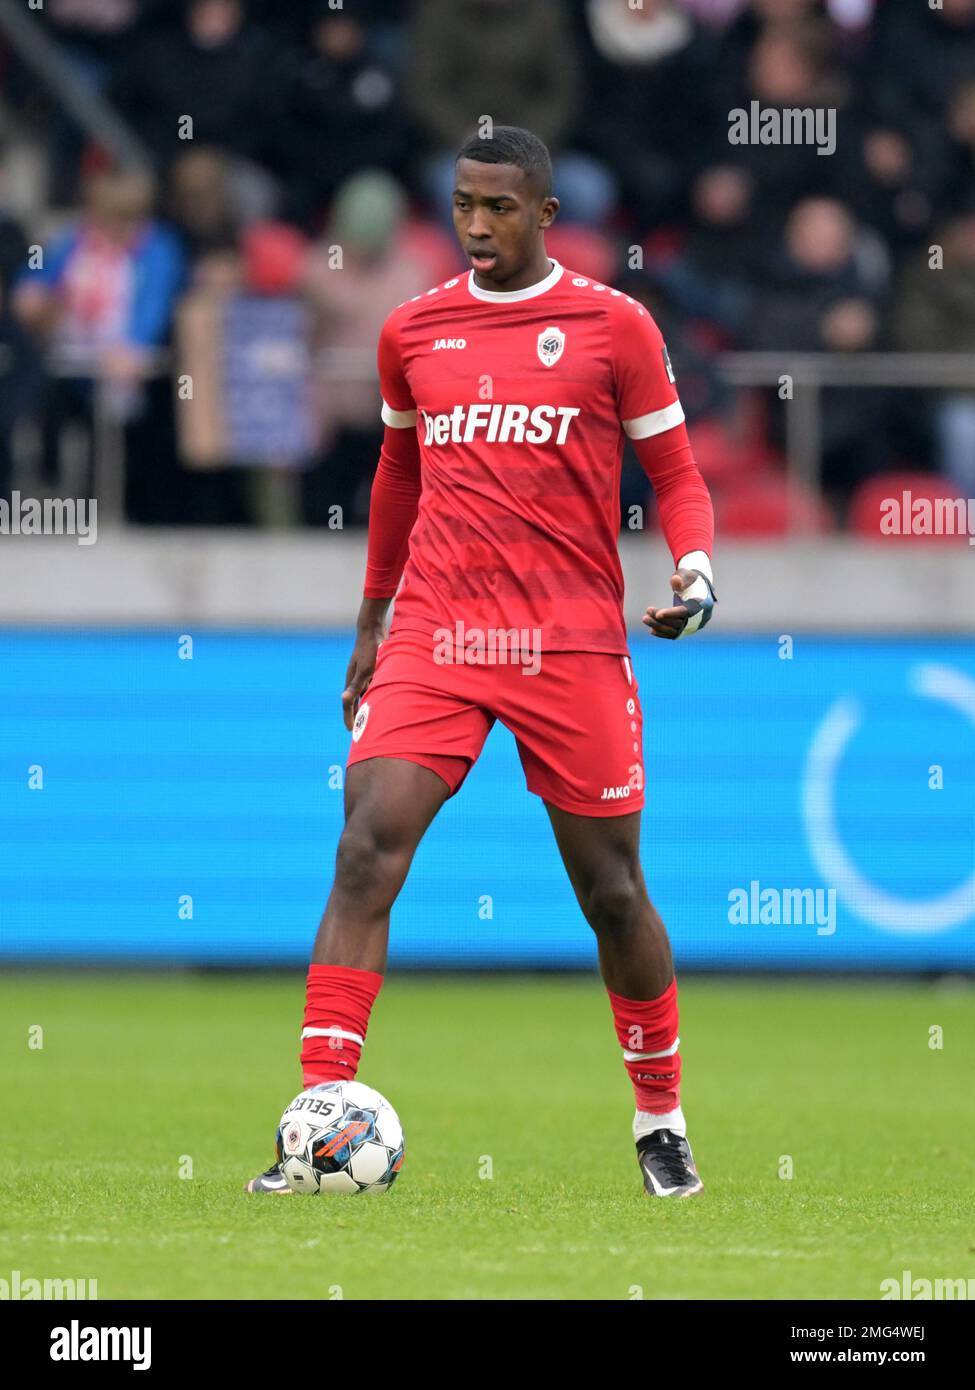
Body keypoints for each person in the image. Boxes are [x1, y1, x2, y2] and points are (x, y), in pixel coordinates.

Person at [246, 127, 716, 1200]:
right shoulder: (415, 330)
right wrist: (371, 621)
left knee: (610, 891)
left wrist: (694, 571)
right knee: (366, 845)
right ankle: (313, 1122)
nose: (476, 225)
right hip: (440, 634)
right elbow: (398, 481)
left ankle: (660, 1119)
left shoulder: (614, 326)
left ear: (546, 213)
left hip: (571, 639)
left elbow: (677, 471)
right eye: (462, 204)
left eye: (500, 207)